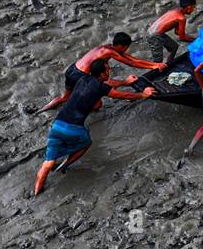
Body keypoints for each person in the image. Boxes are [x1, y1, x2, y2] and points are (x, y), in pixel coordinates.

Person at [33, 59, 155, 195]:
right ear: (102, 74)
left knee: (48, 163)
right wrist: (143, 95)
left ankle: (37, 191)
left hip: (57, 124)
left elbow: (109, 84)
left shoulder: (82, 78)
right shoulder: (100, 87)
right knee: (86, 143)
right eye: (108, 70)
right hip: (75, 128)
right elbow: (121, 95)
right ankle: (65, 164)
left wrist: (125, 82)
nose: (109, 72)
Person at [38, 32, 162, 113]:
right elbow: (131, 63)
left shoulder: (107, 47)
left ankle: (41, 111)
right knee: (97, 104)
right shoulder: (109, 53)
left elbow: (131, 58)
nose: (125, 50)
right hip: (80, 75)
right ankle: (77, 109)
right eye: (125, 48)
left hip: (72, 69)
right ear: (122, 46)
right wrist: (155, 66)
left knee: (64, 97)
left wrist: (154, 65)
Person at [147, 0, 197, 64]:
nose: (193, 10)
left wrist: (190, 38)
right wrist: (195, 40)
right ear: (189, 7)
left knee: (174, 47)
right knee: (157, 61)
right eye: (193, 7)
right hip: (155, 35)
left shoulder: (174, 12)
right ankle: (157, 71)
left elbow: (177, 32)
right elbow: (182, 37)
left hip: (153, 31)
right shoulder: (181, 18)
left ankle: (168, 64)